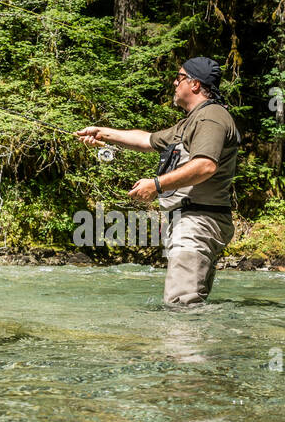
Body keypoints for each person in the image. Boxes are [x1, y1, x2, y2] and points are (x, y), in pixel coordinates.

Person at [76, 56, 241, 304]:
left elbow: (206, 165)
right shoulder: (191, 121)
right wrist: (102, 133)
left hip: (199, 221)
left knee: (181, 305)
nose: (175, 82)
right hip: (191, 219)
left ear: (195, 84)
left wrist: (156, 184)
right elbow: (147, 140)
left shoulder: (211, 118)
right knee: (188, 305)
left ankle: (185, 343)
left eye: (180, 77)